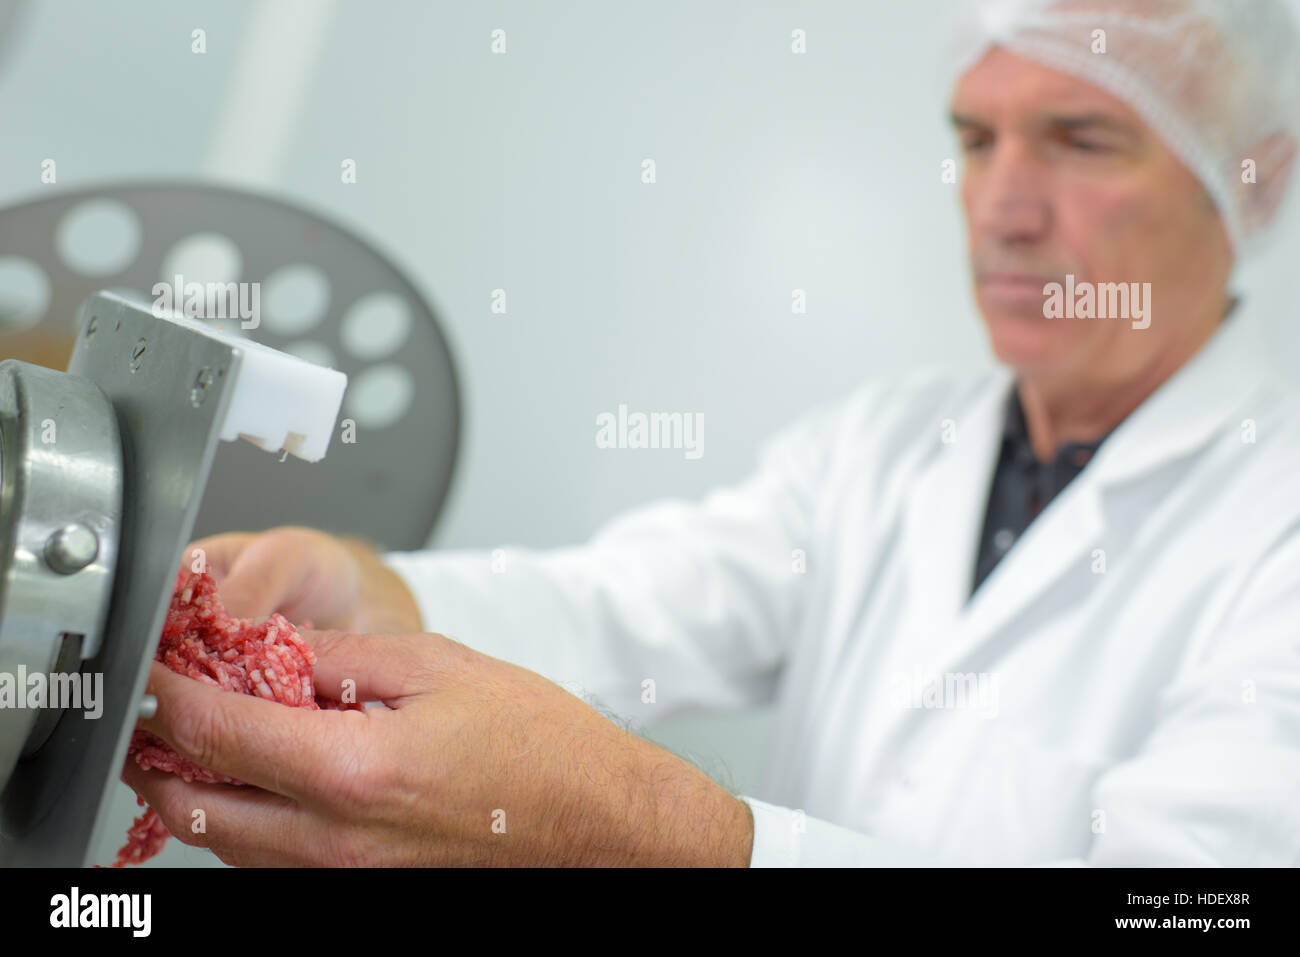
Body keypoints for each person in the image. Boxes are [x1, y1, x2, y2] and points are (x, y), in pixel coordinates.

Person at [124, 0, 1300, 866]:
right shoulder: (888, 443)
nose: (1003, 207)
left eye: (1081, 140)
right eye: (977, 141)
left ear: (1253, 180)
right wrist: (374, 597)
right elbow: (629, 601)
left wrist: (670, 835)